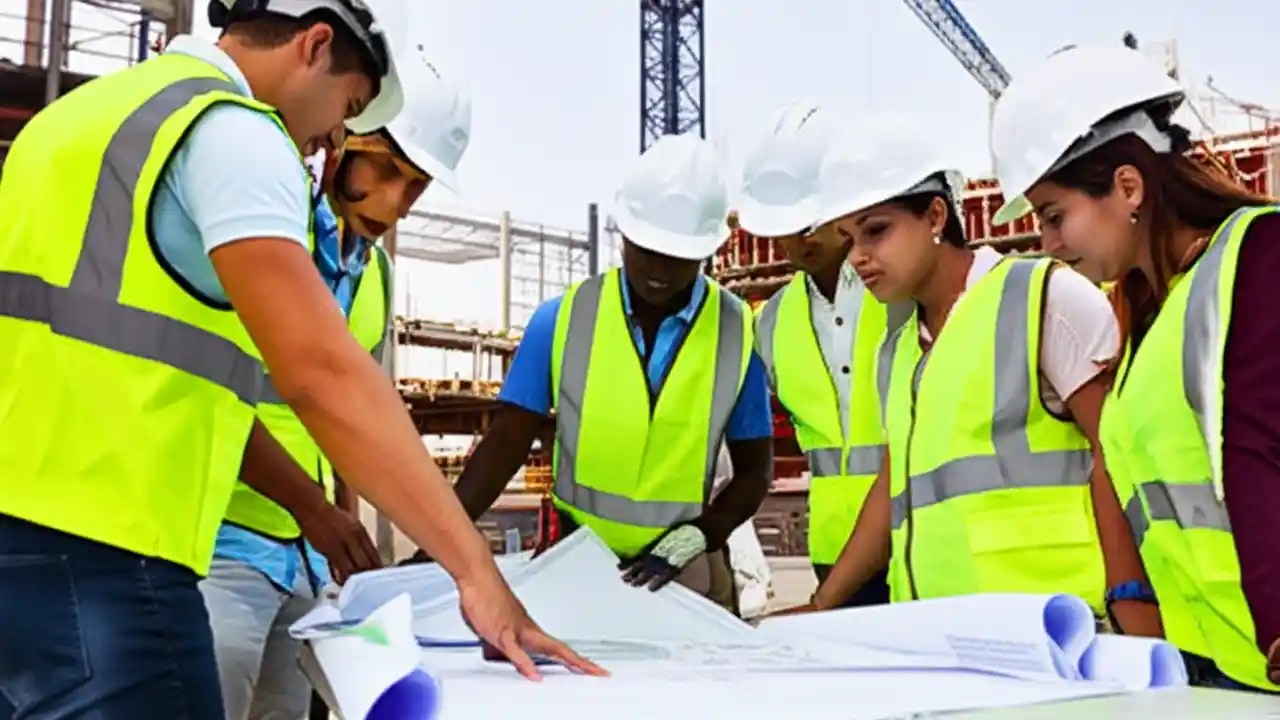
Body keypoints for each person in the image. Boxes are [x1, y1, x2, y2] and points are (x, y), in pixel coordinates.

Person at [0, 1, 600, 717]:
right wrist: (475, 573)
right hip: (116, 555)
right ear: (316, 44)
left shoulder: (73, 118)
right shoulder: (232, 134)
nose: (325, 137)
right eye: (346, 108)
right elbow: (323, 376)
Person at [783, 114, 1160, 640]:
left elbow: (1121, 458)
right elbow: (892, 489)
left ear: (936, 215)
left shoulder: (1042, 299)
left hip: (1054, 635)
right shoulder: (898, 351)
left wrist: (1132, 600)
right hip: (942, 641)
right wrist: (823, 605)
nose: (860, 258)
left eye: (876, 231)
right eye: (849, 240)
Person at [990, 43, 1280, 693]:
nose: (1048, 245)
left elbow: (1258, 453)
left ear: (1127, 187)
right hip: (1210, 668)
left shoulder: (1260, 258)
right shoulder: (1150, 313)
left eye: (1054, 216)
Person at [200, 45, 472, 720]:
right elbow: (211, 389)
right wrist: (318, 514)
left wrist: (351, 528)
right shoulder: (265, 228)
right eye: (386, 172)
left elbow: (349, 417)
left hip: (306, 565)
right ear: (346, 136)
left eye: (416, 187)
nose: (397, 203)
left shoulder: (372, 275)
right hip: (219, 547)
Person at [434, 134, 775, 611]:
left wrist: (698, 538)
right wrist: (438, 544)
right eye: (646, 248)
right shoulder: (562, 320)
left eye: (677, 255)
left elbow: (755, 473)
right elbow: (503, 447)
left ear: (707, 250)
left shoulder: (738, 332)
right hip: (579, 561)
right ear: (624, 234)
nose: (658, 267)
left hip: (685, 573)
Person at [738, 101, 910, 606]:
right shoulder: (770, 322)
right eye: (786, 223)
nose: (800, 236)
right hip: (834, 551)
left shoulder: (902, 294)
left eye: (811, 218)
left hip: (919, 537)